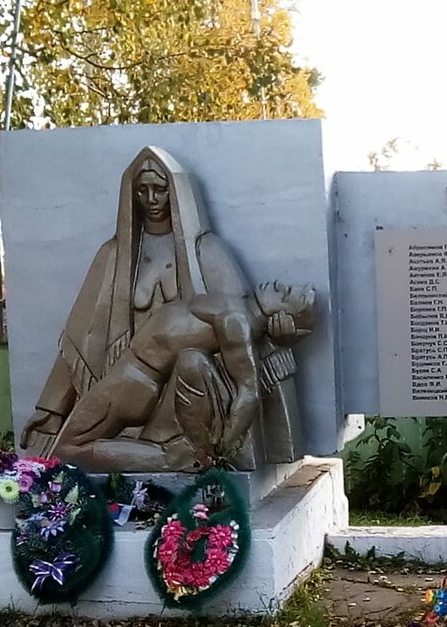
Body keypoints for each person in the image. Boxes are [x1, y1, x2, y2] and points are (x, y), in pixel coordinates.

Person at [20, 146, 305, 470]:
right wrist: (52, 408)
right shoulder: (113, 256)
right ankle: (173, 458)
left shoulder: (207, 252)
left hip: (183, 388)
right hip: (128, 377)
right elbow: (80, 335)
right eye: (142, 190)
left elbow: (246, 334)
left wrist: (282, 334)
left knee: (190, 364)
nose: (152, 199)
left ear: (177, 191)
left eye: (160, 189)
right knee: (71, 449)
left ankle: (179, 458)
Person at [53, 282, 314, 470]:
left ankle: (172, 458)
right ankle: (170, 457)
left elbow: (249, 391)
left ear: (282, 315)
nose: (279, 284)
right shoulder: (233, 305)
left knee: (67, 452)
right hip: (131, 376)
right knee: (66, 451)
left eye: (285, 294)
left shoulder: (236, 320)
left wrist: (221, 449)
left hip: (134, 381)